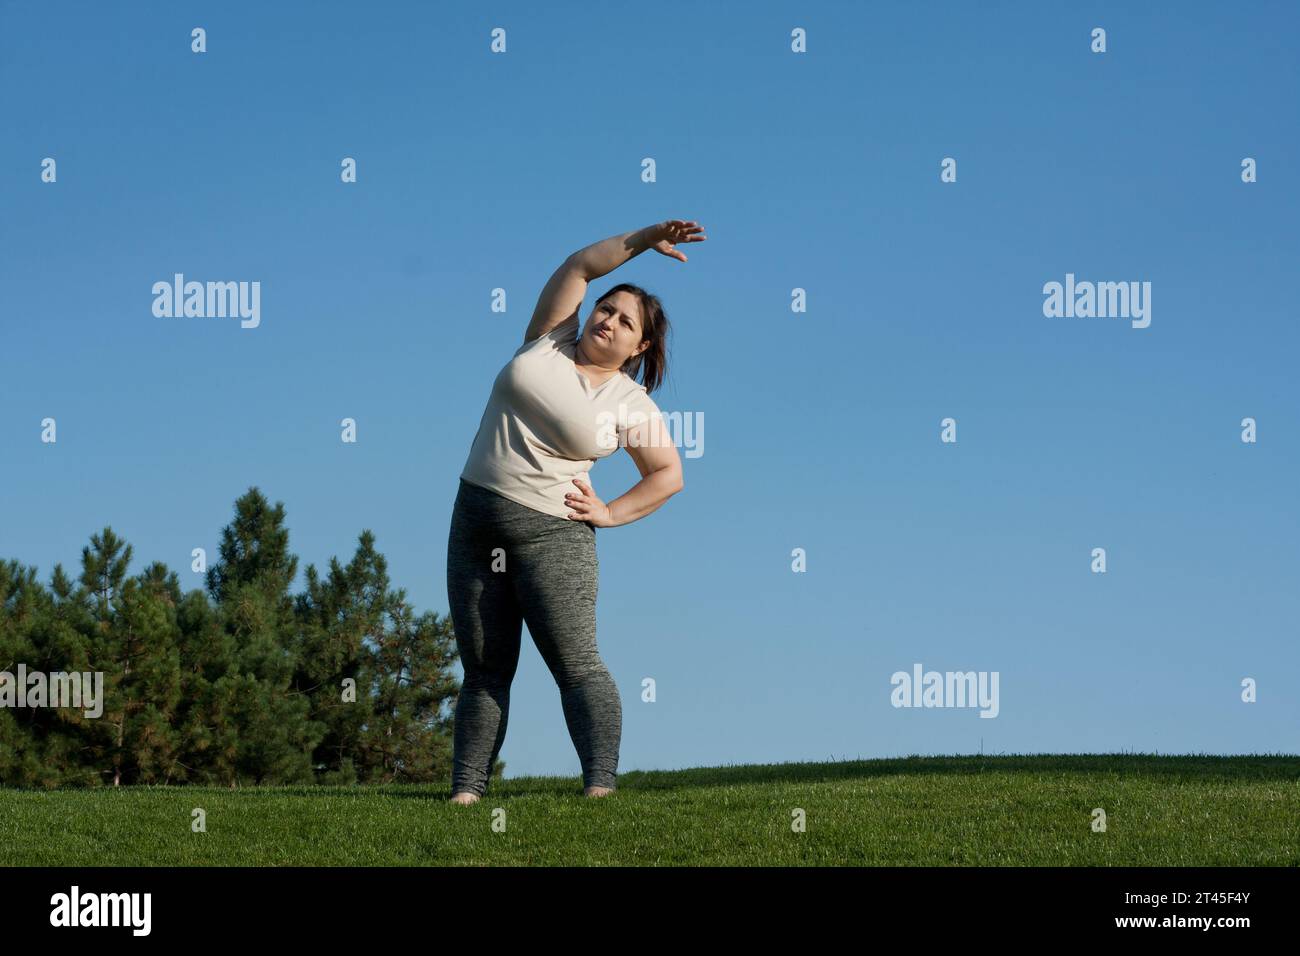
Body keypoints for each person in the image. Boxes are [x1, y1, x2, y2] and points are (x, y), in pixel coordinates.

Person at [446, 220, 705, 804]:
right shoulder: (548, 338)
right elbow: (580, 266)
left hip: (552, 538)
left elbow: (669, 475)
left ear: (640, 347)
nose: (606, 320)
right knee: (485, 669)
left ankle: (600, 788)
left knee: (577, 666)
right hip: (475, 522)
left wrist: (610, 514)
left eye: (624, 322)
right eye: (606, 310)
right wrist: (642, 240)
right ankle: (465, 795)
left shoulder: (629, 402)